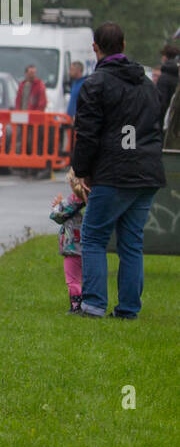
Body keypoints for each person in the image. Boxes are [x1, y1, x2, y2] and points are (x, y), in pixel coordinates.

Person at [70, 22, 165, 319]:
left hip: (113, 172)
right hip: (147, 170)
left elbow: (87, 133)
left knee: (94, 236)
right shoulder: (147, 84)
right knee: (131, 241)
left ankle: (93, 304)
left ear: (95, 48)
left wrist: (81, 170)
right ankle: (128, 309)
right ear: (123, 45)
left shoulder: (95, 84)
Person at [50, 170, 89, 314]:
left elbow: (56, 215)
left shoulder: (74, 199)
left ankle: (76, 306)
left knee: (73, 280)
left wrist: (58, 205)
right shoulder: (93, 199)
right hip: (90, 247)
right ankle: (90, 303)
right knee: (88, 278)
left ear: (73, 183)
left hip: (72, 247)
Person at [157, 43, 178, 112]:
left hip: (165, 115)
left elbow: (161, 100)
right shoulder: (177, 75)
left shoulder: (164, 77)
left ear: (165, 57)